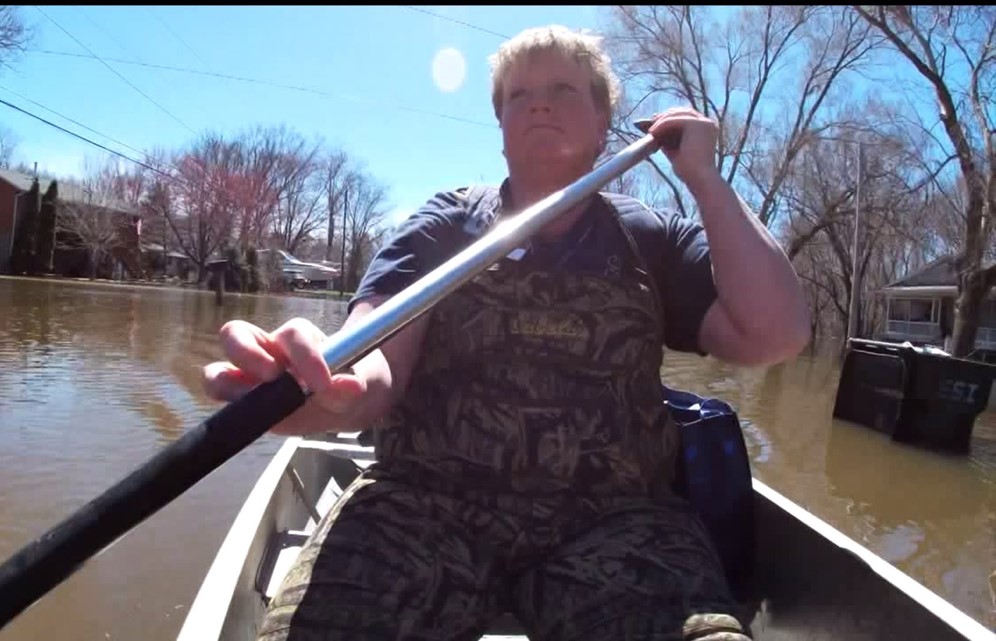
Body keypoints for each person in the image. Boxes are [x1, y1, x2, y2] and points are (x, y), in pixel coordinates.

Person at [203, 25, 810, 641]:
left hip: (621, 521)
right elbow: (376, 367)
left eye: (564, 89)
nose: (539, 103)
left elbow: (775, 336)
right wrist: (326, 389)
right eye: (519, 94)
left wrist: (706, 179)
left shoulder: (651, 237)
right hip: (423, 506)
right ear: (501, 129)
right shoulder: (444, 225)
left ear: (605, 124)